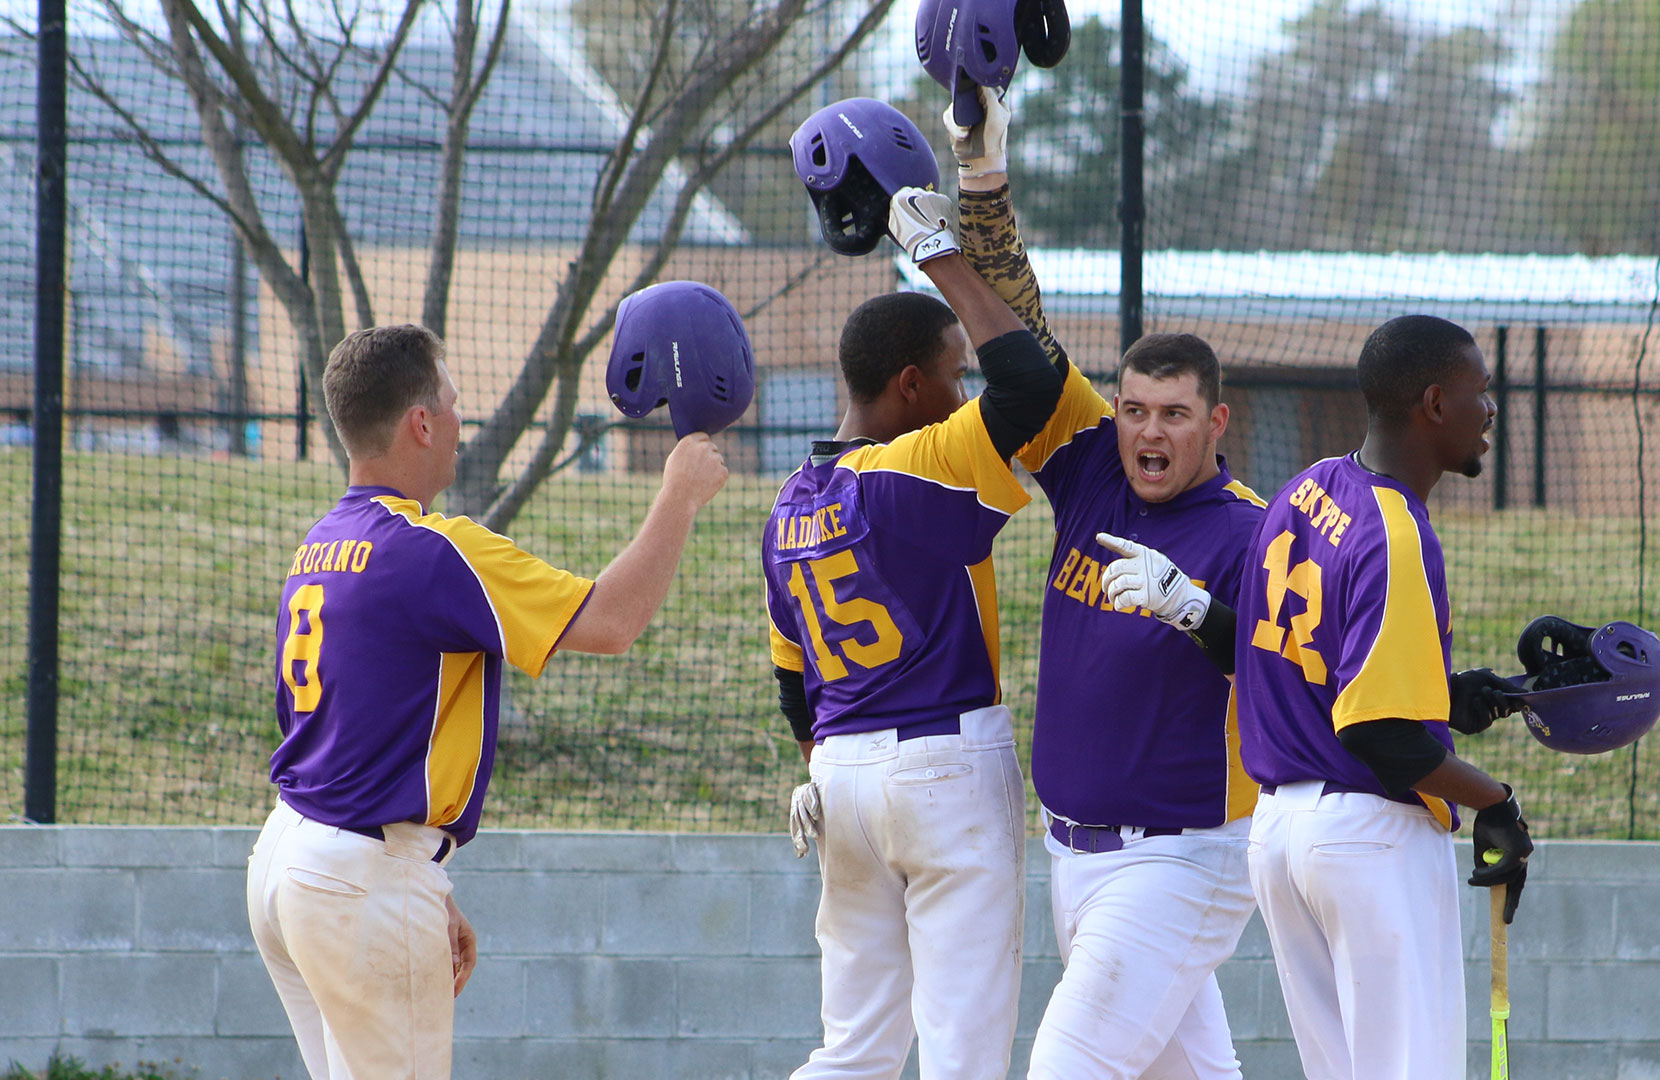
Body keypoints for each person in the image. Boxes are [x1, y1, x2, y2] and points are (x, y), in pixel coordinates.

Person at [250, 323, 729, 1080]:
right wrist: (679, 495)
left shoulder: (322, 542)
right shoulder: (432, 546)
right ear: (420, 423)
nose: (460, 419)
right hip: (357, 872)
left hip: (292, 855)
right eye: (452, 401)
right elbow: (612, 621)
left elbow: (336, 728)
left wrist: (422, 874)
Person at [945, 91, 1267, 1079]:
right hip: (1077, 856)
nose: (1149, 433)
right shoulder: (1092, 468)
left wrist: (1195, 608)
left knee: (1069, 1068)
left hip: (1181, 857)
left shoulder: (1251, 529)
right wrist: (976, 194)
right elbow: (1024, 341)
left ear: (1216, 423)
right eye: (1133, 409)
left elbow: (1277, 662)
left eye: (1173, 414)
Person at [767, 182, 1063, 1078]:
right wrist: (942, 256)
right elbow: (1034, 382)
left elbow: (793, 681)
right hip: (944, 766)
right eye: (949, 372)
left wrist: (828, 762)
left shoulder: (787, 504)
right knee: (963, 1051)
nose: (960, 386)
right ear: (909, 385)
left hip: (842, 777)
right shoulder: (915, 465)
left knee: (853, 1049)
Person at [1228, 314, 1533, 1080]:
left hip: (1279, 838)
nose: (1489, 409)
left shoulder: (1307, 488)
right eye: (1479, 392)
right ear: (1434, 403)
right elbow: (1382, 735)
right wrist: (1495, 802)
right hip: (1366, 839)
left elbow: (1320, 673)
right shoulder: (1397, 531)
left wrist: (1458, 696)